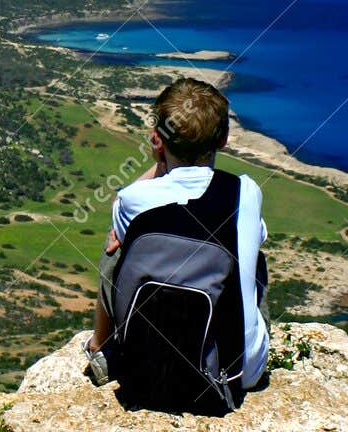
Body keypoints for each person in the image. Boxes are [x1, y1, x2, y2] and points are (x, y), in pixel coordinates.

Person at [85, 77, 269, 398]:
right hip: (236, 374)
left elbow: (122, 202)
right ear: (223, 139)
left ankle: (102, 347)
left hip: (145, 368)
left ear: (158, 139)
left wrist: (159, 161)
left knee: (115, 246)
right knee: (255, 258)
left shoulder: (133, 201)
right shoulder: (245, 193)